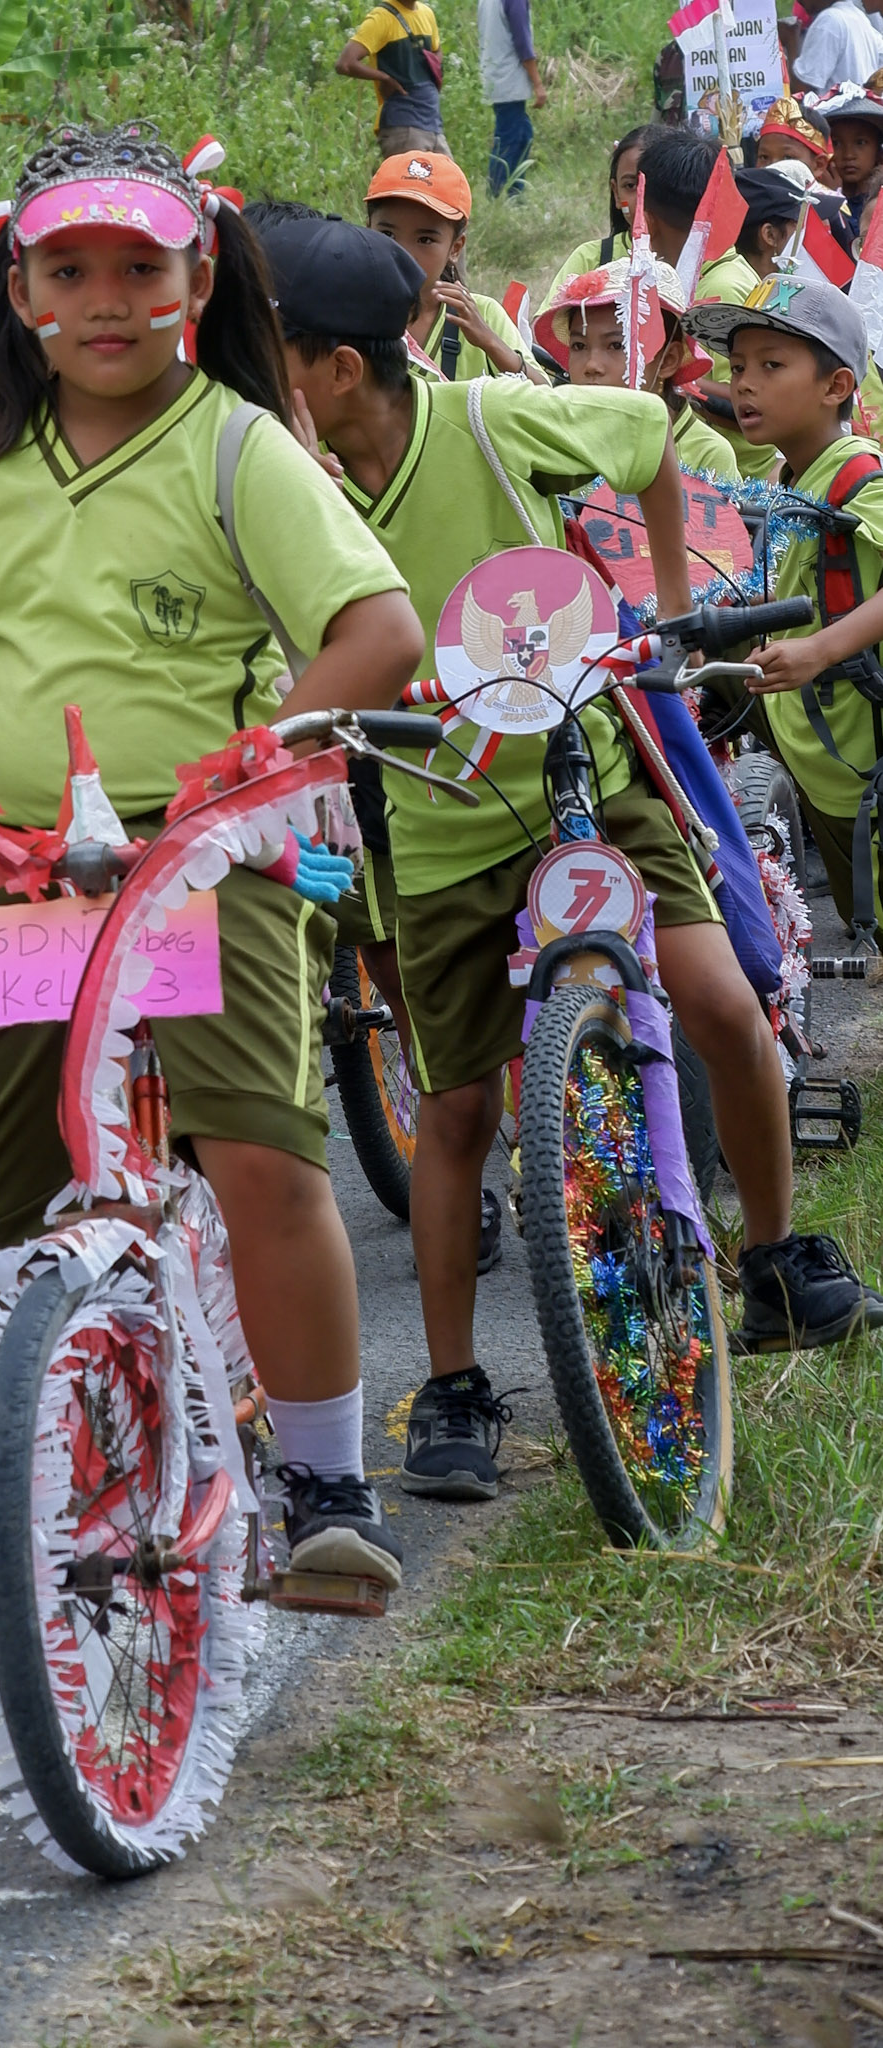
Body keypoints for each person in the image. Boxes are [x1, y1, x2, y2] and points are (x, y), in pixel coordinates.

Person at [0, 124, 424, 1728]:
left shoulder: (238, 448)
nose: (108, 300)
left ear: (198, 280)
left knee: (266, 1155)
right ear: (20, 291)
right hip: (9, 869)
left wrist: (261, 756)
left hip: (200, 862)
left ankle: (332, 1493)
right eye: (69, 270)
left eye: (142, 268)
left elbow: (380, 626)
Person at [257, 215, 883, 1501]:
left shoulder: (490, 419)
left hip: (584, 782)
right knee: (460, 1107)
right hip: (432, 827)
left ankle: (769, 1260)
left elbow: (652, 442)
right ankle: (454, 1382)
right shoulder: (287, 487)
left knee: (719, 1004)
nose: (255, 384)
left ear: (332, 366)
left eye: (270, 356)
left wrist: (655, 603)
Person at [688, 277, 883, 941]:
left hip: (866, 762)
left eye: (771, 366)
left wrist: (817, 650)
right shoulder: (784, 482)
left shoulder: (861, 474)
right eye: (737, 366)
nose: (744, 384)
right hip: (826, 770)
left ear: (834, 386)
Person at [639, 127, 778, 479]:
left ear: (647, 220)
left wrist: (661, 379)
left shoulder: (717, 290)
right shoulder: (714, 272)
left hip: (736, 476)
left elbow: (751, 399)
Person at [533, 257, 740, 478]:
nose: (592, 365)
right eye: (578, 346)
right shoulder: (561, 439)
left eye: (616, 345)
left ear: (668, 360)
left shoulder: (706, 454)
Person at [365, 152, 543, 378]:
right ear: (367, 229)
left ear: (455, 248)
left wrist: (489, 342)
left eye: (425, 240)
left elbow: (547, 401)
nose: (403, 253)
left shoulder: (484, 314)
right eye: (388, 235)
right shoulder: (345, 310)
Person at [543, 124, 661, 305]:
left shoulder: (703, 265)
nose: (641, 198)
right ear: (615, 193)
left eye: (654, 184)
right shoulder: (590, 259)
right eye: (630, 185)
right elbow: (549, 325)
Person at [337, 0, 449, 158]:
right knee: (410, 182)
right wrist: (384, 78)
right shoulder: (382, 18)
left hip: (433, 123)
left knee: (448, 181)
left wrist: (433, 68)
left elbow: (437, 51)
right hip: (404, 127)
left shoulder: (426, 13)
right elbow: (345, 63)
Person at [477, 0, 545, 199]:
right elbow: (522, 43)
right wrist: (538, 83)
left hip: (494, 73)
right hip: (509, 78)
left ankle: (515, 192)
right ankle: (497, 194)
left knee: (522, 134)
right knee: (509, 140)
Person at [820, 85, 883, 235]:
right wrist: (831, 197)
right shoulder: (816, 199)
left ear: (879, 152)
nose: (848, 155)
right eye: (836, 143)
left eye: (860, 142)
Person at [794, 0, 883, 95]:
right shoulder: (859, 17)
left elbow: (802, 89)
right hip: (863, 106)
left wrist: (791, 40)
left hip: (840, 108)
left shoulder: (829, 20)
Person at [755, 96, 838, 185]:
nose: (772, 168)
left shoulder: (830, 198)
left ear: (818, 164)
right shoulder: (747, 197)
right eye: (764, 157)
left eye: (787, 158)